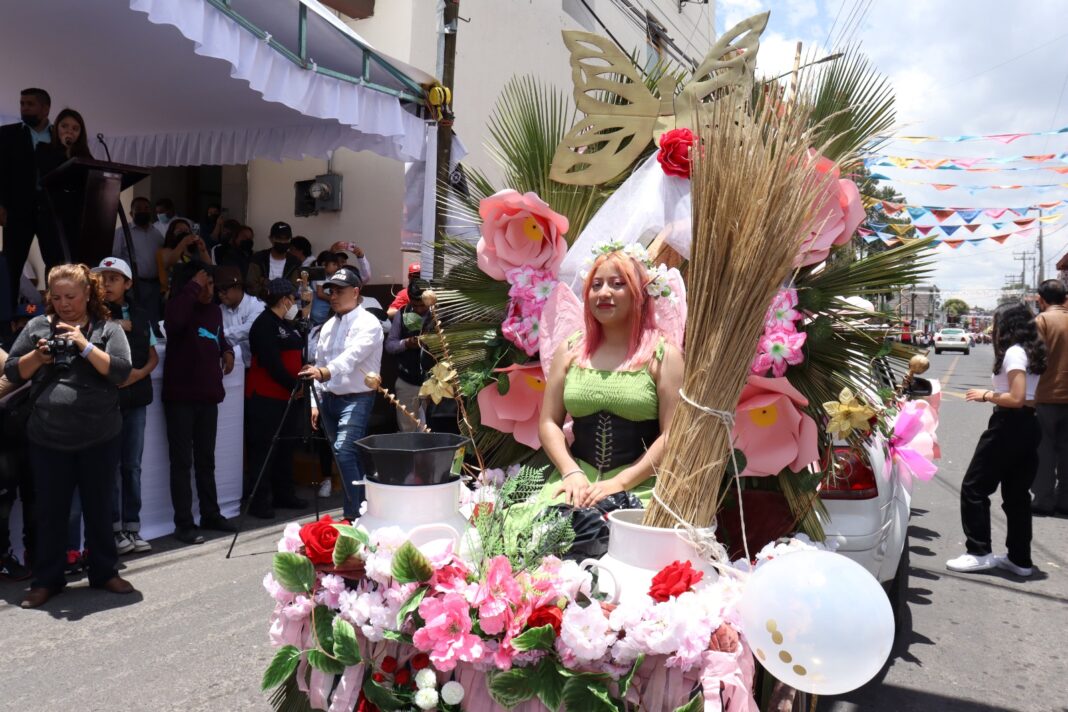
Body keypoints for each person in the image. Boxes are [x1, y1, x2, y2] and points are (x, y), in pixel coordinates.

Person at [5, 263, 136, 608]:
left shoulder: (107, 329)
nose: (63, 304)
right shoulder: (37, 326)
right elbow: (12, 371)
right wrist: (39, 355)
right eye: (57, 296)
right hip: (48, 437)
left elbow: (121, 371)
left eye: (71, 297)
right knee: (51, 511)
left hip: (100, 436)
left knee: (98, 506)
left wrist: (84, 345)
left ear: (88, 294)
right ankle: (47, 580)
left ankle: (105, 571)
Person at [541, 249, 683, 508]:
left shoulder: (664, 355)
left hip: (642, 487)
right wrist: (571, 472)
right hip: (576, 483)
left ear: (639, 294)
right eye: (596, 285)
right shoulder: (570, 350)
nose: (604, 292)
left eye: (617, 284)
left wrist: (621, 482)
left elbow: (673, 434)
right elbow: (549, 421)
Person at [949, 302, 1046, 578]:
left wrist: (986, 394)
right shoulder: (1033, 349)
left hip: (1009, 425)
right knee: (1017, 496)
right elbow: (1031, 397)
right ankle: (1020, 559)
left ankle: (979, 552)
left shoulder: (1014, 353)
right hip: (1029, 424)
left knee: (974, 488)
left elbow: (1015, 398)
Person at [299, 266, 383, 520]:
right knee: (346, 455)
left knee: (344, 451)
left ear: (356, 292)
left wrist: (324, 372)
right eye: (331, 291)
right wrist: (315, 401)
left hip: (357, 397)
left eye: (339, 291)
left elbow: (350, 357)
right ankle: (364, 511)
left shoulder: (369, 323)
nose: (333, 295)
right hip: (330, 398)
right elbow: (317, 362)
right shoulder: (327, 327)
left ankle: (353, 514)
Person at [163, 262, 236, 544]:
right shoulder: (178, 306)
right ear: (190, 285)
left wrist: (227, 349)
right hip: (180, 397)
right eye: (203, 284)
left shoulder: (214, 310)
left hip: (208, 396)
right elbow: (175, 325)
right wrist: (192, 288)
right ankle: (184, 522)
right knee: (181, 462)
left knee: (206, 460)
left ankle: (210, 513)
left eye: (211, 284)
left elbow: (216, 337)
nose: (209, 290)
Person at [93, 257, 158, 555]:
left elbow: (153, 354)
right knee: (110, 467)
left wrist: (138, 374)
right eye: (103, 278)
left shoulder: (143, 315)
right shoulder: (93, 315)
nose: (106, 284)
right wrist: (114, 323)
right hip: (107, 402)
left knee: (132, 466)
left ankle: (133, 528)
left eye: (113, 278)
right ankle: (114, 530)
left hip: (137, 399)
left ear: (128, 283)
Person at [245, 279, 309, 518]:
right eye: (293, 299)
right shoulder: (264, 324)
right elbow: (272, 363)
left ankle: (284, 493)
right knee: (264, 449)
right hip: (266, 395)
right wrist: (294, 385)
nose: (294, 303)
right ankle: (258, 500)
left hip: (287, 396)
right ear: (285, 300)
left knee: (285, 446)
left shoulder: (286, 323)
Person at [0, 88, 66, 309]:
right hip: (17, 209)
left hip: (51, 209)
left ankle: (54, 312)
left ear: (45, 108)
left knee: (55, 263)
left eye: (30, 104)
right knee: (12, 264)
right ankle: (5, 318)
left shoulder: (59, 136)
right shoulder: (7, 134)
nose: (24, 108)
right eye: (22, 103)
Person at [1032, 279, 1068, 516]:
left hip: (1045, 395)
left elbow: (1034, 359)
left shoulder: (1041, 320)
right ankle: (1065, 500)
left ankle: (1043, 500)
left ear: (1041, 300)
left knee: (1044, 451)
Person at [384, 278, 433, 431]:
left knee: (433, 430)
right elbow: (390, 345)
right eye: (415, 305)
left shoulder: (440, 315)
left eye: (422, 305)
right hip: (408, 381)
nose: (418, 309)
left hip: (436, 383)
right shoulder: (402, 313)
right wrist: (406, 343)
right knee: (408, 430)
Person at [112, 196, 166, 330]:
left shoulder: (157, 233)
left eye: (146, 208)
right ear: (131, 213)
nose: (143, 211)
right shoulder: (122, 232)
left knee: (154, 321)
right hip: (133, 285)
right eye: (139, 209)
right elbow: (115, 258)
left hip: (155, 285)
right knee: (135, 319)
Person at [216, 266, 265, 370]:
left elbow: (250, 328)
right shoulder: (219, 310)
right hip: (231, 368)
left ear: (238, 287)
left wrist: (223, 333)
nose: (220, 294)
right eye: (218, 290)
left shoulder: (256, 305)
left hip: (256, 367)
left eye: (224, 290)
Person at [246, 222, 302, 298]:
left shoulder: (295, 263)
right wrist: (268, 294)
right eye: (279, 238)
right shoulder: (258, 258)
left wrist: (264, 281)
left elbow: (294, 289)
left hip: (284, 304)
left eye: (286, 239)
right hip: (260, 303)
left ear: (290, 240)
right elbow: (251, 285)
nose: (282, 242)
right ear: (271, 239)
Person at [158, 218, 212, 296]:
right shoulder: (165, 251)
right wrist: (183, 243)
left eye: (187, 231)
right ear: (171, 234)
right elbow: (169, 262)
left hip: (196, 291)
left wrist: (203, 250)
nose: (184, 233)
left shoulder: (194, 250)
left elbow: (208, 266)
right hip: (174, 294)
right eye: (179, 231)